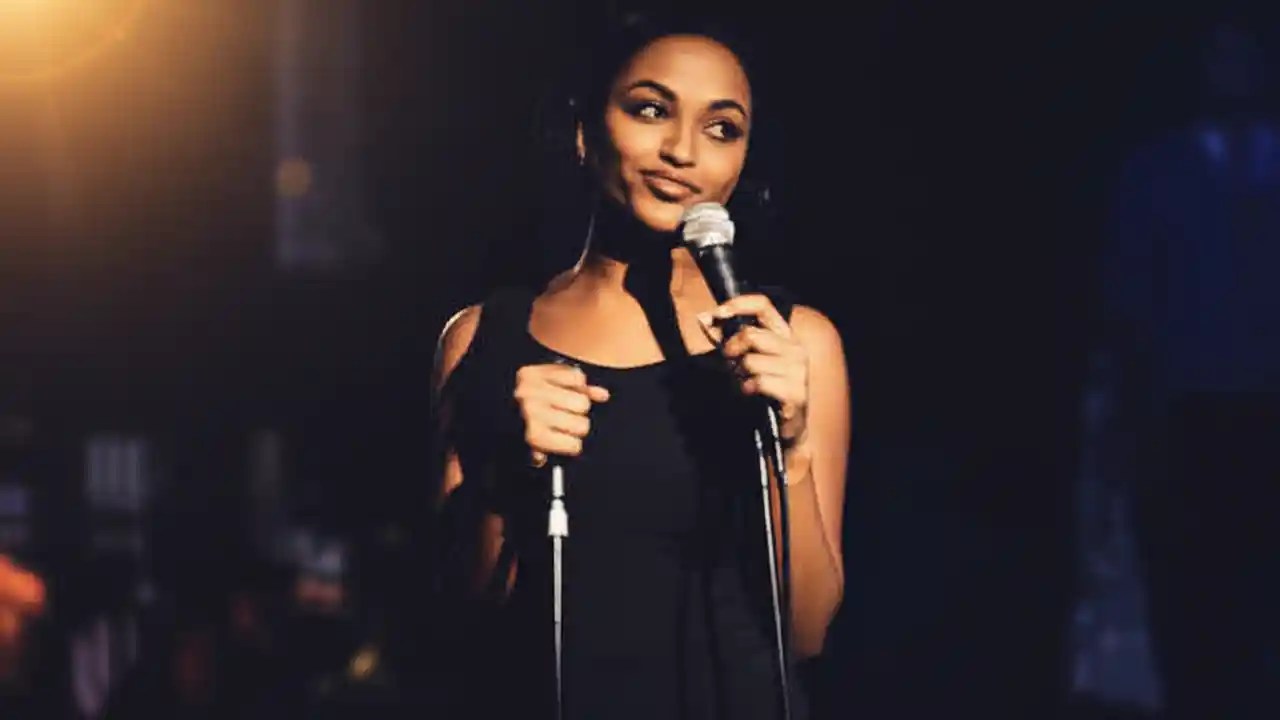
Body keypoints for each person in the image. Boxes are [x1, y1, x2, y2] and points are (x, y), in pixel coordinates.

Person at [429, 13, 850, 720]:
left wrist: (795, 451)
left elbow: (806, 632)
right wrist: (512, 467)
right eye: (650, 110)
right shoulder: (483, 336)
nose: (682, 151)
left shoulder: (792, 341)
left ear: (743, 163)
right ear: (585, 132)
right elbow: (460, 607)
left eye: (721, 128)